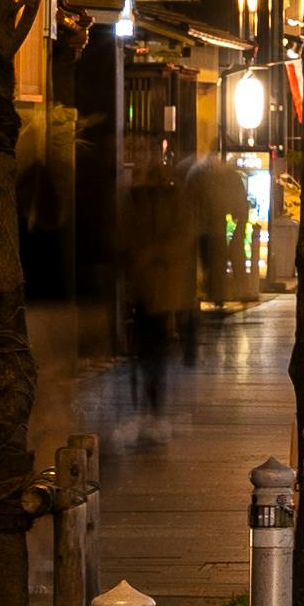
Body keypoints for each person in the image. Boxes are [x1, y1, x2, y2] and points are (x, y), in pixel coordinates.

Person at [115, 155, 199, 423]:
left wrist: (151, 253)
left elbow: (181, 237)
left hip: (158, 288)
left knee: (154, 344)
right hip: (146, 288)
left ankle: (152, 395)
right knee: (149, 343)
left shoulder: (171, 201)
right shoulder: (139, 201)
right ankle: (150, 395)